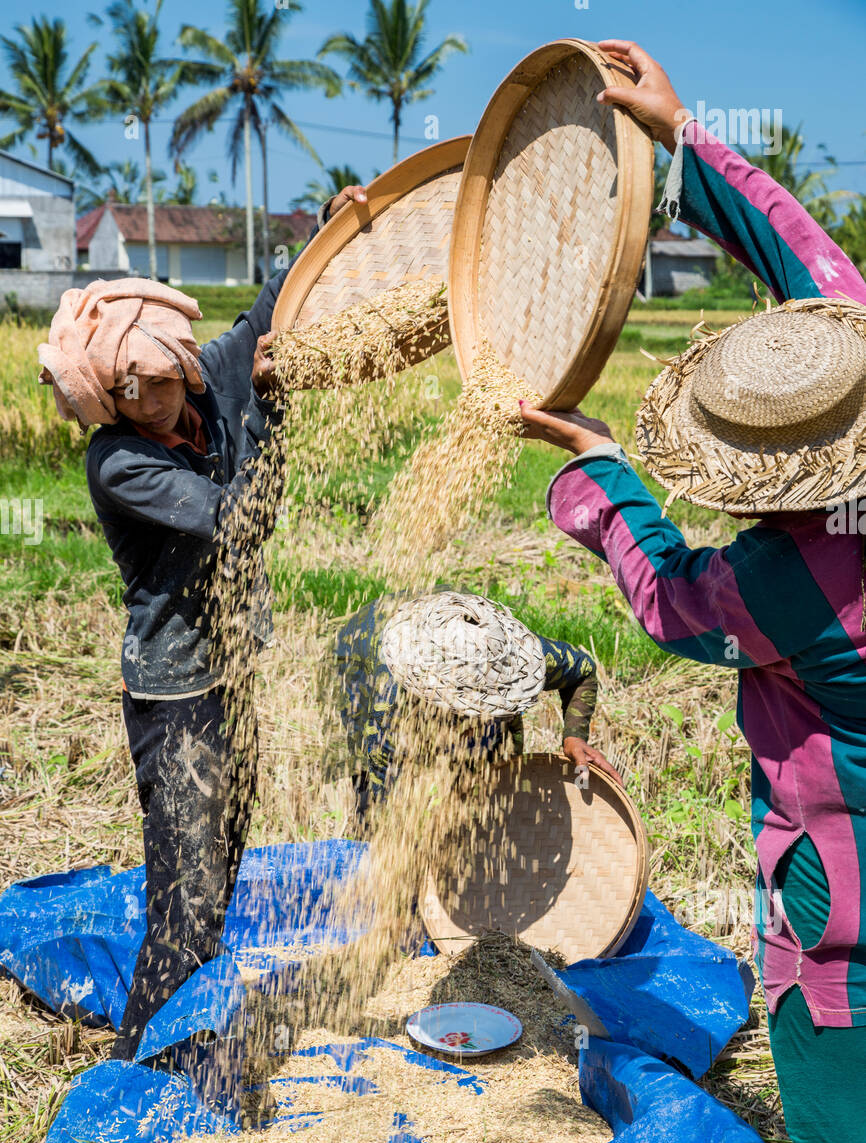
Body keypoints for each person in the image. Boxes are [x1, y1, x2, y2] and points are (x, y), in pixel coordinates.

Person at [521, 39, 866, 1143]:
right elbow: (816, 271)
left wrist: (602, 468)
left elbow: (669, 600)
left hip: (842, 904)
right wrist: (683, 139)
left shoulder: (784, 582)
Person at [37, 184, 369, 1092]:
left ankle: (197, 1046)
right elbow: (237, 522)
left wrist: (325, 231)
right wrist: (271, 407)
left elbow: (272, 307)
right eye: (122, 395)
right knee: (181, 904)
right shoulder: (121, 462)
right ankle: (139, 1074)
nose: (140, 404)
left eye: (147, 386)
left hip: (232, 678)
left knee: (220, 878)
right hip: (176, 699)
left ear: (176, 362)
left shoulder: (208, 374)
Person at [334, 588, 621, 832]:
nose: (474, 724)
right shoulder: (388, 709)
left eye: (487, 711)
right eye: (466, 716)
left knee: (489, 791)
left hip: (452, 632)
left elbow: (583, 672)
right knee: (371, 805)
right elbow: (381, 799)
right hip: (363, 652)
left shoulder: (513, 658)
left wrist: (574, 736)